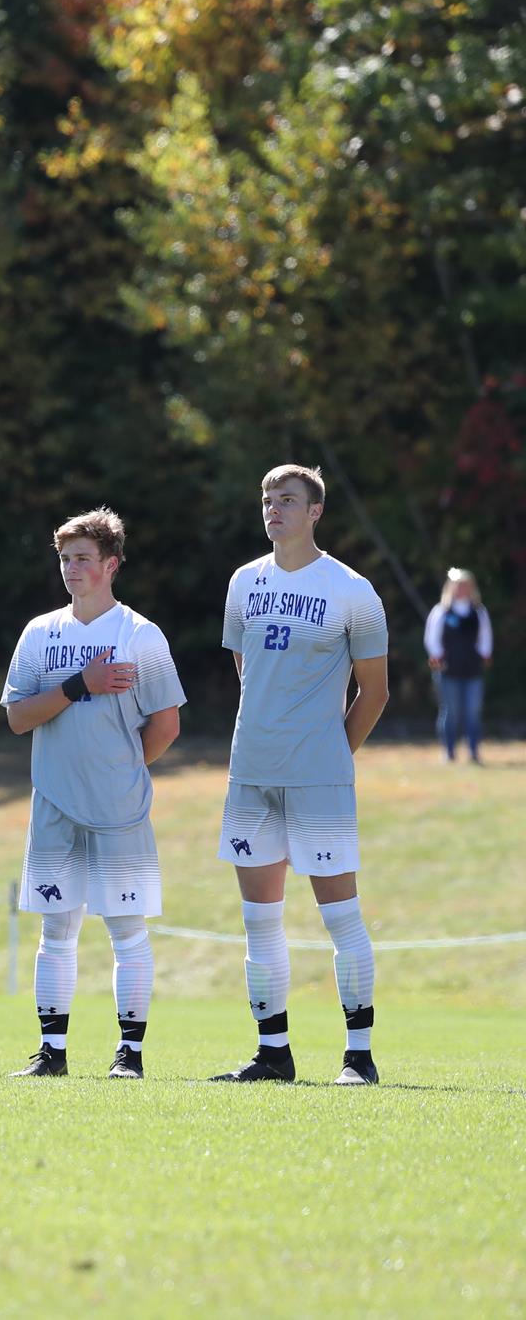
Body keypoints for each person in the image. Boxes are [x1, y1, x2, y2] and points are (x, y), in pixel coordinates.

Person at [214, 465, 389, 1086]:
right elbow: (246, 669)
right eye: (267, 499)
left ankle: (359, 1058)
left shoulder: (351, 589)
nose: (274, 509)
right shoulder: (244, 582)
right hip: (251, 774)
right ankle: (273, 1056)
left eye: (288, 500)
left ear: (315, 512)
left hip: (318, 779)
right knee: (259, 920)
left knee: (340, 917)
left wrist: (332, 754)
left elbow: (374, 691)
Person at [1, 509, 184, 1080]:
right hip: (53, 806)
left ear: (111, 564)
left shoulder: (139, 633)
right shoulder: (40, 631)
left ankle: (129, 1054)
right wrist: (80, 685)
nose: (71, 569)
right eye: (64, 558)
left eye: (82, 558)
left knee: (127, 930)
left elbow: (166, 725)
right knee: (55, 931)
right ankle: (51, 1053)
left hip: (118, 811)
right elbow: (17, 717)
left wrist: (120, 771)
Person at [425, 568, 492, 764]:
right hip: (448, 670)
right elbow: (432, 639)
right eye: (458, 585)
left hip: (472, 670)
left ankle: (473, 751)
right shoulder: (441, 612)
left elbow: (485, 639)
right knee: (450, 711)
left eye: (465, 585)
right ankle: (449, 752)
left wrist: (485, 655)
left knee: (473, 711)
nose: (461, 589)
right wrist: (437, 657)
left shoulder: (479, 612)